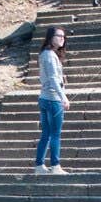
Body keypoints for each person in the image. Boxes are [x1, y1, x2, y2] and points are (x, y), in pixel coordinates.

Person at [34, 25, 70, 176]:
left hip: (44, 98)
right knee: (55, 134)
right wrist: (64, 97)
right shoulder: (49, 55)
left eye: (63, 36)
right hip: (53, 99)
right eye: (58, 36)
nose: (62, 39)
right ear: (50, 38)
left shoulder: (46, 54)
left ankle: (39, 166)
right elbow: (53, 79)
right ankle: (55, 165)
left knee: (46, 134)